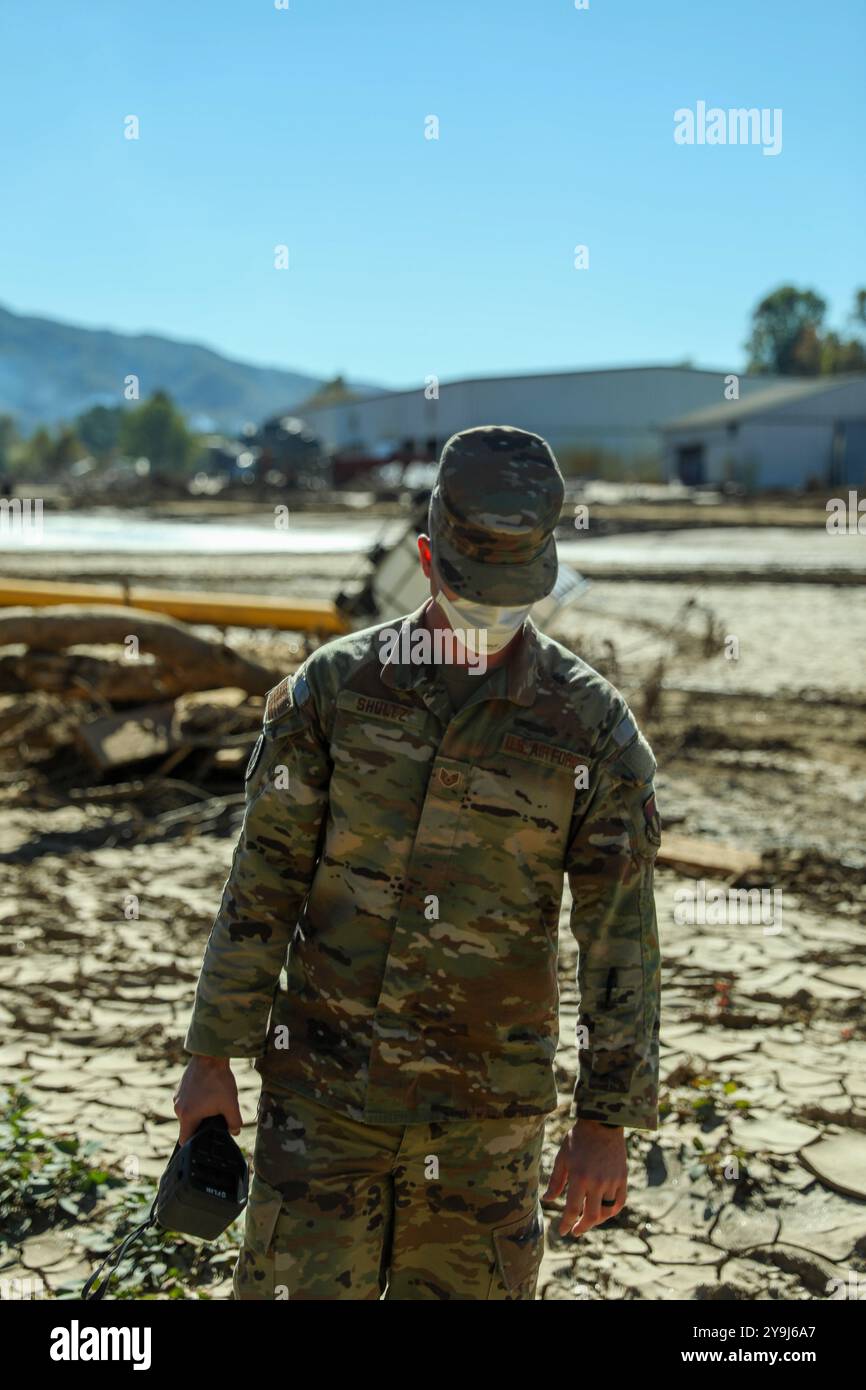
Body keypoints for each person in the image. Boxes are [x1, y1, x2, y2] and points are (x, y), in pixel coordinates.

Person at [175, 423, 662, 1300]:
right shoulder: (335, 690)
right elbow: (263, 883)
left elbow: (619, 940)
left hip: (484, 1126)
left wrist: (608, 1119)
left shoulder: (591, 728)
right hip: (322, 1106)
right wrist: (212, 1056)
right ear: (428, 557)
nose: (488, 626)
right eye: (474, 599)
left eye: (512, 602)